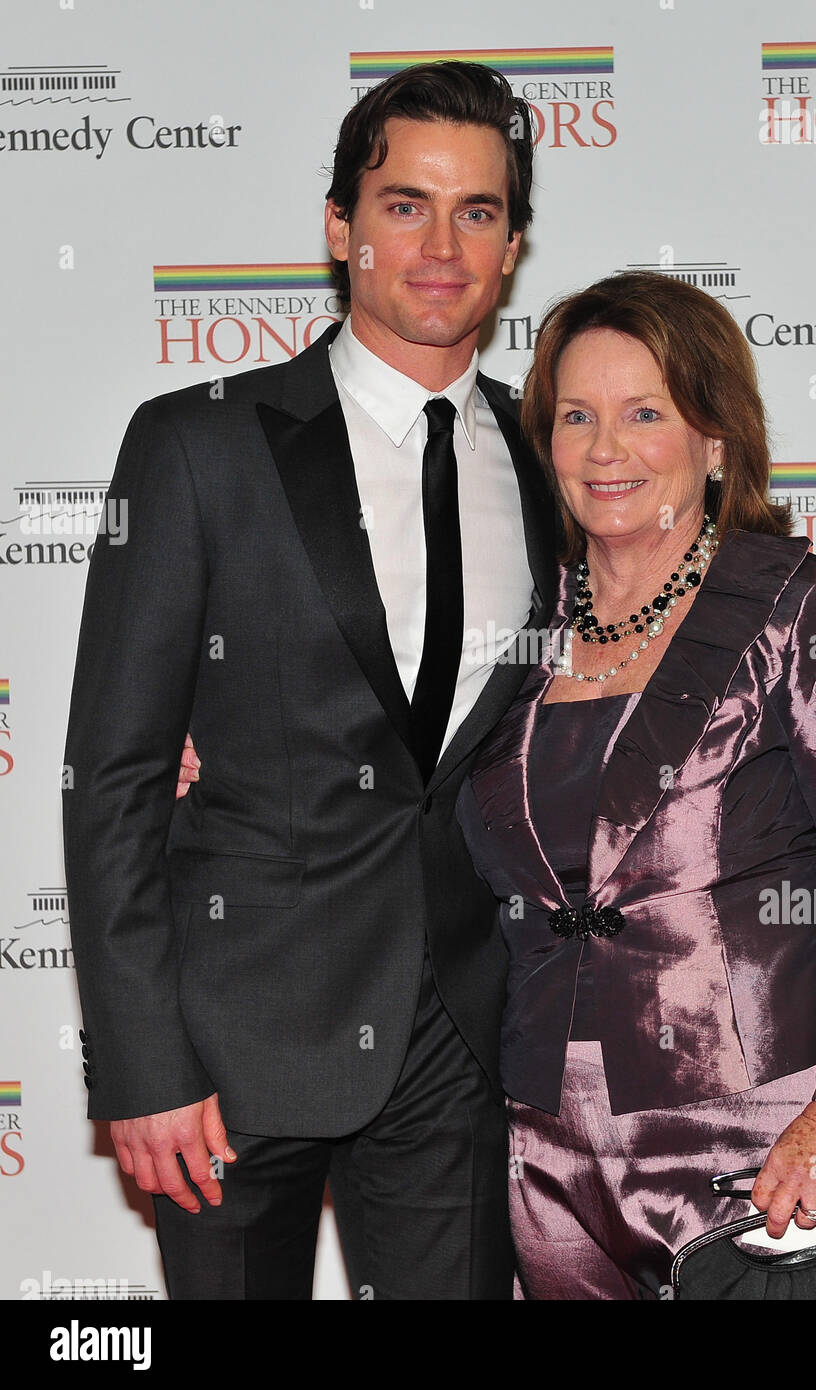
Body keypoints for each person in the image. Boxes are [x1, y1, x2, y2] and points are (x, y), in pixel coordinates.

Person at [62, 61, 556, 1301]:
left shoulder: (558, 457)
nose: (441, 244)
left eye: (479, 212)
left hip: (459, 1043)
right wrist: (142, 1062)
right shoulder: (197, 443)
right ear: (340, 229)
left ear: (512, 247)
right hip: (227, 1048)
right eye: (404, 204)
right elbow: (114, 773)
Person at [453, 271, 816, 1300]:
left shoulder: (806, 614)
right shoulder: (513, 640)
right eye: (576, 417)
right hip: (552, 1163)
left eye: (645, 414)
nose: (605, 449)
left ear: (716, 439)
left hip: (765, 1147)